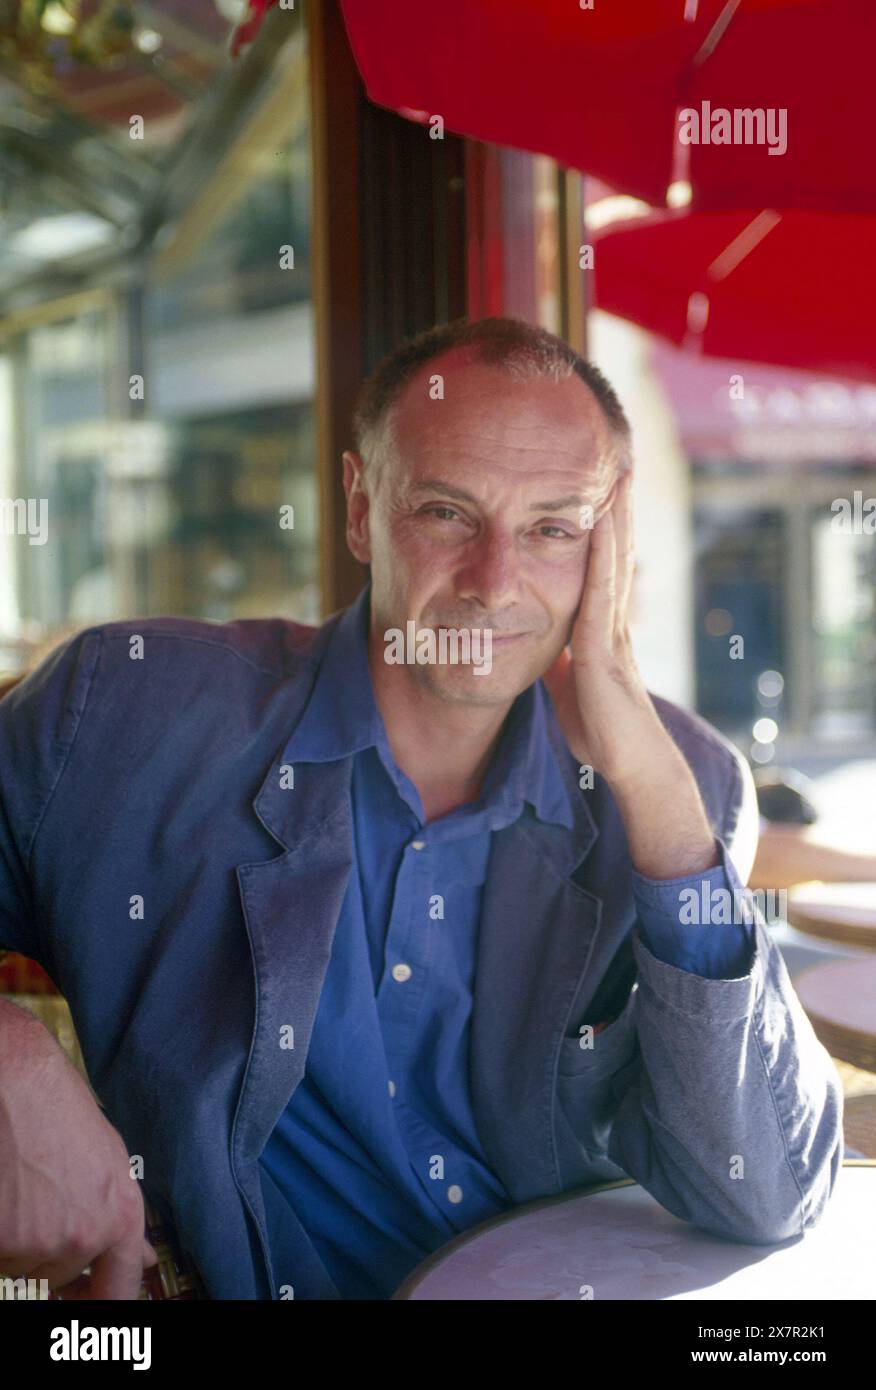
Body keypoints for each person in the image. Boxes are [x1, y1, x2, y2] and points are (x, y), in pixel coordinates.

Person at [0, 316, 843, 1301]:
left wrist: (657, 796)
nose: (495, 583)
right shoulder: (126, 711)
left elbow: (771, 1192)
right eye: (447, 513)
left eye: (553, 529)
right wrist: (12, 1060)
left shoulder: (676, 786)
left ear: (608, 546)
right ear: (361, 508)